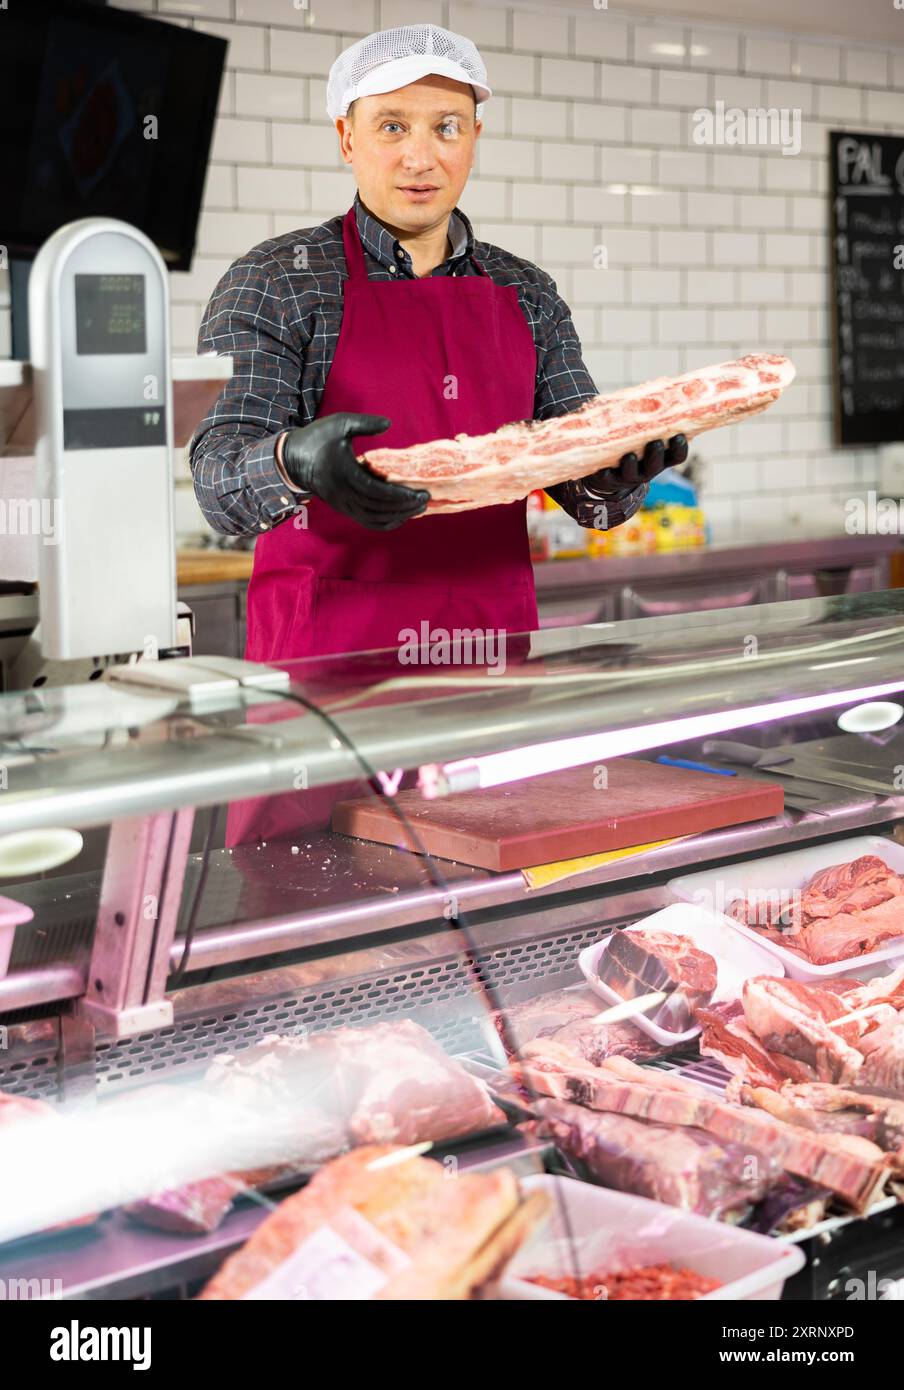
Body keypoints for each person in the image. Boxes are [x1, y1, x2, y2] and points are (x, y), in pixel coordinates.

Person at [190, 22, 687, 669]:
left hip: (493, 662)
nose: (420, 158)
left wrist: (614, 479)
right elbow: (216, 482)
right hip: (328, 670)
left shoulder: (527, 294)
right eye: (392, 126)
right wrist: (293, 460)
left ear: (475, 137)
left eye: (446, 127)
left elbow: (583, 484)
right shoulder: (278, 280)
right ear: (347, 137)